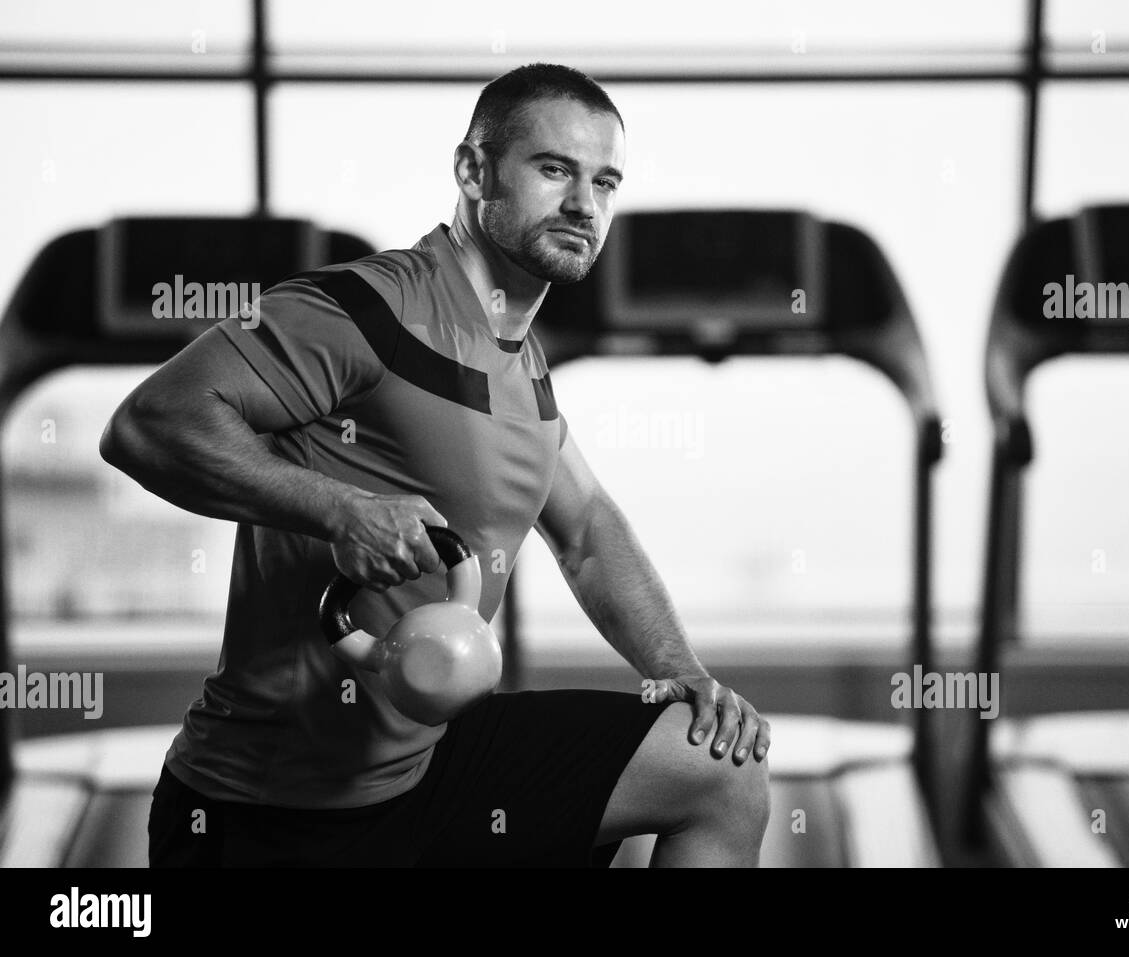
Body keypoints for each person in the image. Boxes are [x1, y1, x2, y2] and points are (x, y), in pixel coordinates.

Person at [101, 62, 772, 868]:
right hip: (265, 811)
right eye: (554, 169)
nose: (583, 204)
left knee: (720, 770)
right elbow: (149, 423)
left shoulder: (522, 367)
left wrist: (679, 671)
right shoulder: (367, 308)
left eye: (605, 182)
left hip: (427, 772)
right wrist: (339, 509)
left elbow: (588, 529)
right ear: (472, 171)